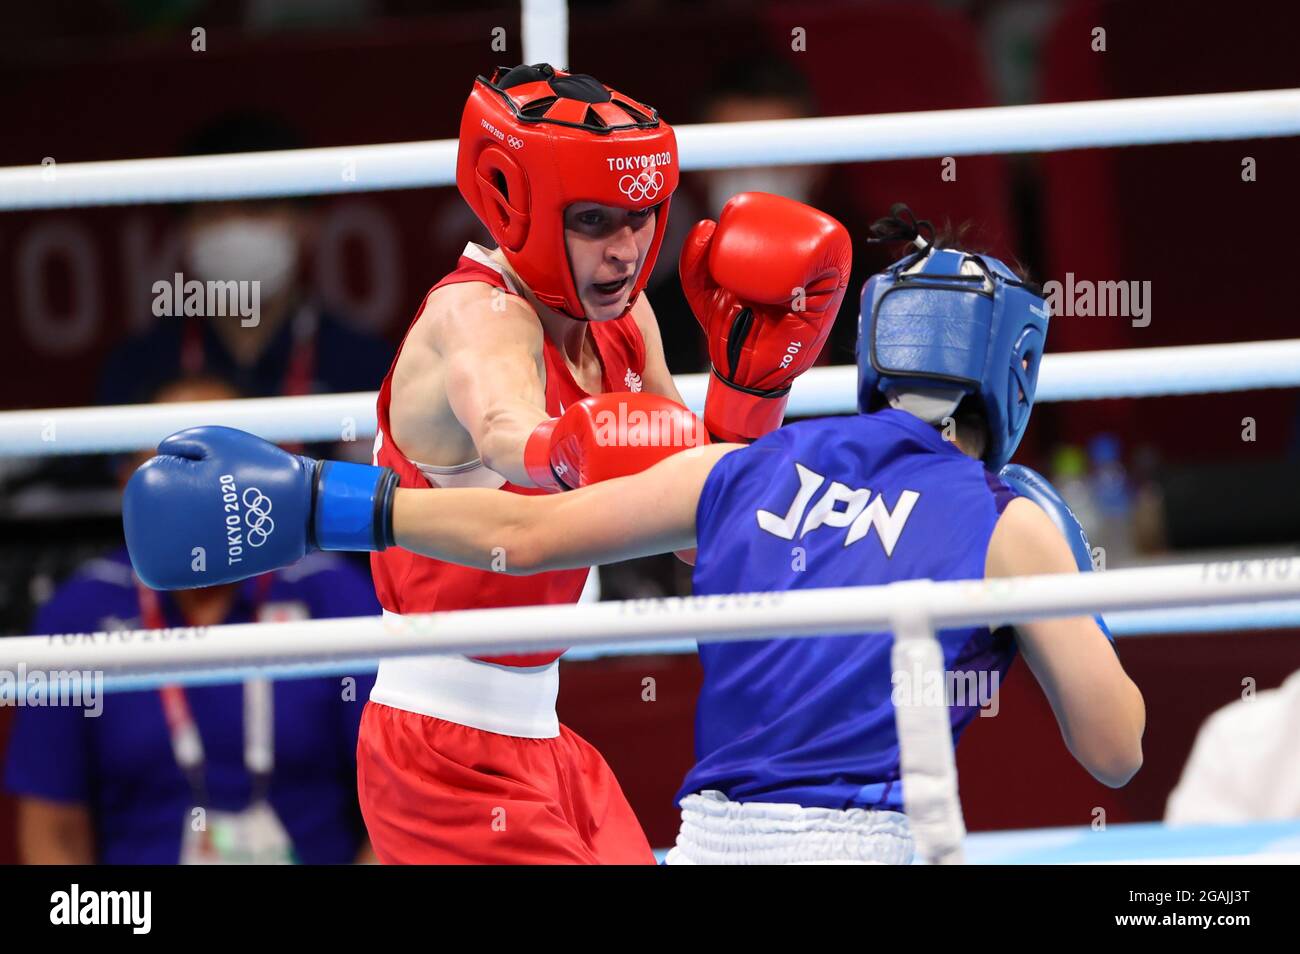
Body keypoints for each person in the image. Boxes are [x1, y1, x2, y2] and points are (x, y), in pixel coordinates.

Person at [123, 208, 1143, 864]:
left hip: (705, 843)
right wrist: (1057, 598)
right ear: (1012, 374)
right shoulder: (1011, 527)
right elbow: (1115, 752)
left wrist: (321, 504)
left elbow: (525, 537)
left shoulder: (742, 469)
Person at [124, 64, 850, 864]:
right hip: (439, 750)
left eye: (643, 217)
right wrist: (567, 446)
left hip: (545, 738)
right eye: (597, 220)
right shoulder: (473, 317)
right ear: (517, 203)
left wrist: (751, 393)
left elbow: (697, 533)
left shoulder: (625, 317)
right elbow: (517, 455)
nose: (628, 250)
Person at [5, 375, 379, 865]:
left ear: (264, 475)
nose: (197, 494)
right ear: (130, 484)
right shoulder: (79, 613)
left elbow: (400, 807)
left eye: (216, 470)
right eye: (173, 469)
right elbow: (53, 834)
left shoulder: (334, 592)